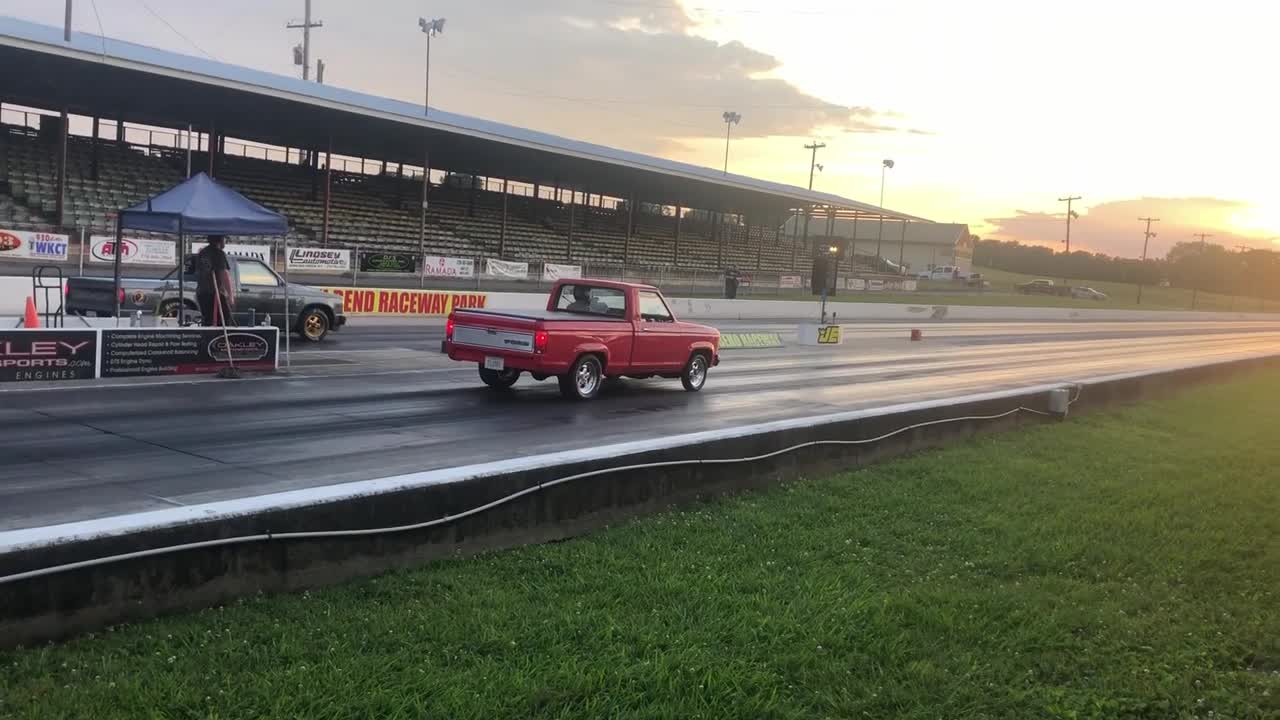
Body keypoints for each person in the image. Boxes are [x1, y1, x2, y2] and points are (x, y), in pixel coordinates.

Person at [196, 235, 234, 327]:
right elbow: (224, 275)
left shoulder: (202, 253)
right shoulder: (219, 253)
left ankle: (207, 339)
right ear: (220, 239)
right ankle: (219, 340)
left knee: (208, 320)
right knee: (224, 319)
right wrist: (230, 296)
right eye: (225, 239)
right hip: (214, 293)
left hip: (202, 292)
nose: (225, 241)